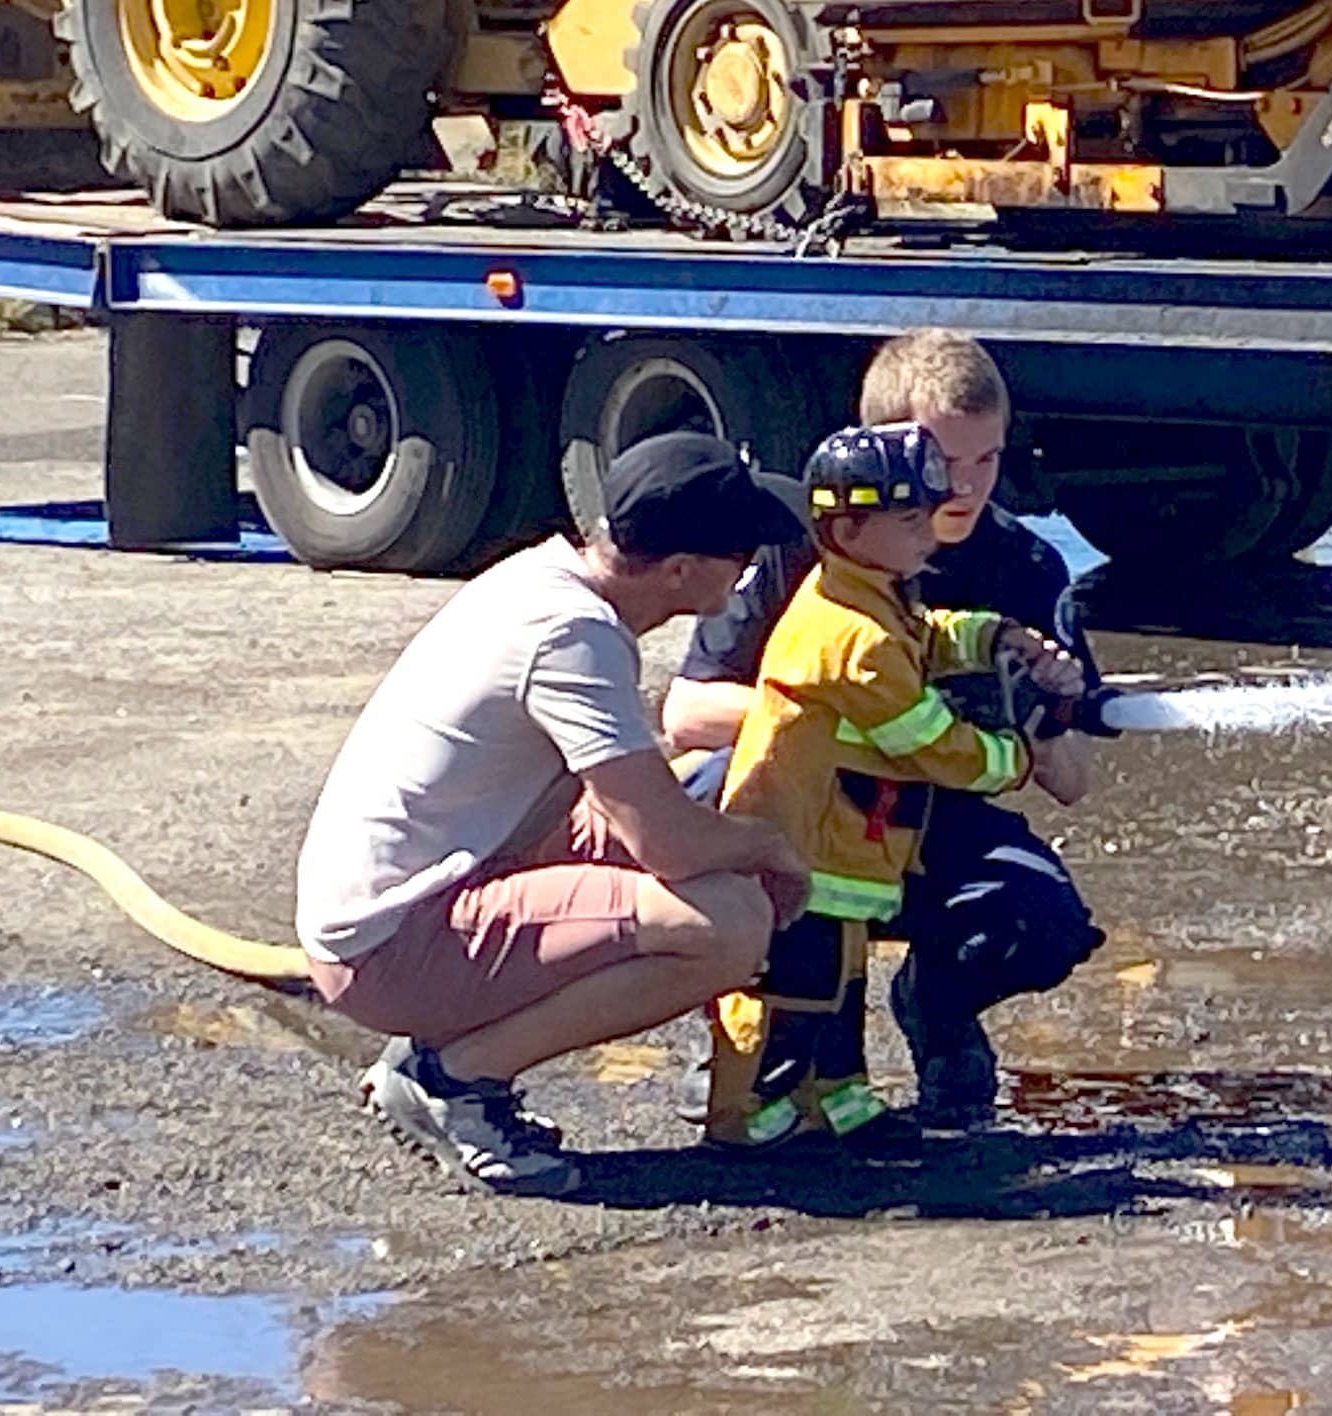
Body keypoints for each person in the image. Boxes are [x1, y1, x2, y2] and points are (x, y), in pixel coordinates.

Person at [296, 433, 811, 1196]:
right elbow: (667, 843)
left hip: (427, 887)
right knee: (727, 922)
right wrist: (769, 846)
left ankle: (447, 1059)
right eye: (740, 554)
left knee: (700, 799)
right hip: (387, 947)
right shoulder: (575, 636)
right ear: (680, 570)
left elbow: (639, 807)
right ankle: (456, 1080)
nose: (749, 571)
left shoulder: (543, 578)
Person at [664, 329, 1103, 1127]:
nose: (963, 489)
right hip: (811, 805)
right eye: (943, 462)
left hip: (931, 816)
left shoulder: (1027, 569)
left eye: (988, 461)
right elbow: (686, 714)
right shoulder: (809, 539)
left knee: (1043, 921)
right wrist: (837, 723)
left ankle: (937, 1009)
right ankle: (747, 1037)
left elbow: (1073, 783)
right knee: (705, 798)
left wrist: (1038, 704)